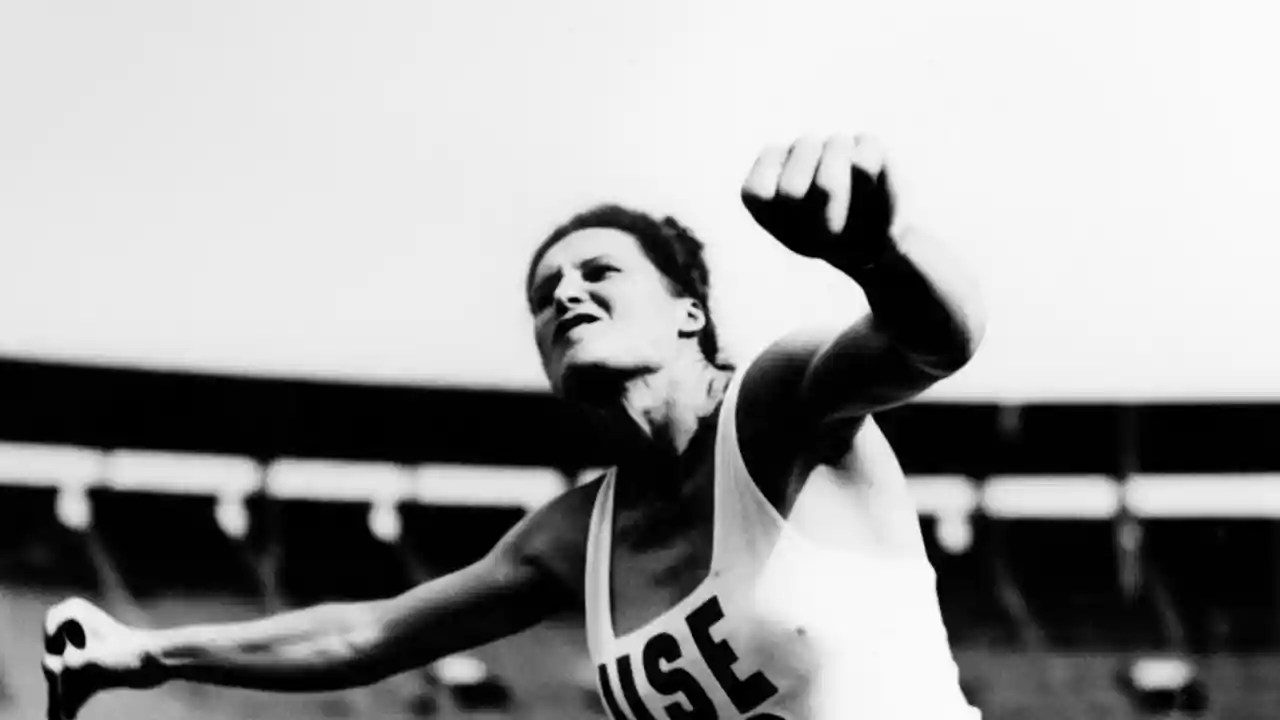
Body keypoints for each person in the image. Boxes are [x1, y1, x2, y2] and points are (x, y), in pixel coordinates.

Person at [42, 133, 986, 719]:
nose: (565, 294)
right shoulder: (575, 536)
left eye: (598, 274)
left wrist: (881, 253)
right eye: (543, 296)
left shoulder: (776, 411)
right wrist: (144, 652)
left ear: (690, 313)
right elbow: (366, 635)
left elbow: (931, 342)